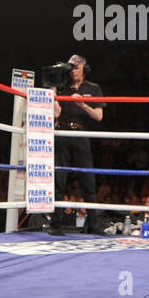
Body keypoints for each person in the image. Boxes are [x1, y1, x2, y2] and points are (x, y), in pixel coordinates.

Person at [53, 55, 106, 235]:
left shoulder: (93, 88)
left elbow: (99, 116)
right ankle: (56, 224)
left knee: (87, 179)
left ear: (84, 67)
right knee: (59, 177)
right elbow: (55, 113)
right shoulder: (61, 87)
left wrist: (82, 104)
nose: (73, 69)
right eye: (70, 67)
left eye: (76, 66)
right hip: (62, 132)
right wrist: (53, 95)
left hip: (81, 134)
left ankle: (93, 224)